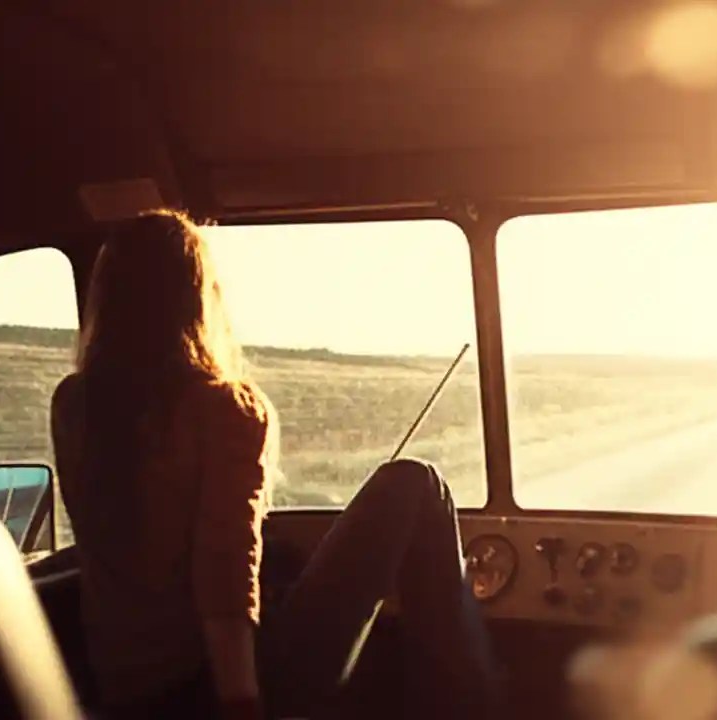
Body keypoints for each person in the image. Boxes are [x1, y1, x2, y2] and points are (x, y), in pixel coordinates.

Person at [51, 209, 501, 719]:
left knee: (284, 567)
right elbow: (224, 571)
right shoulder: (227, 408)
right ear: (197, 299)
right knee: (416, 484)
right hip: (219, 688)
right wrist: (242, 703)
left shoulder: (74, 406)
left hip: (127, 696)